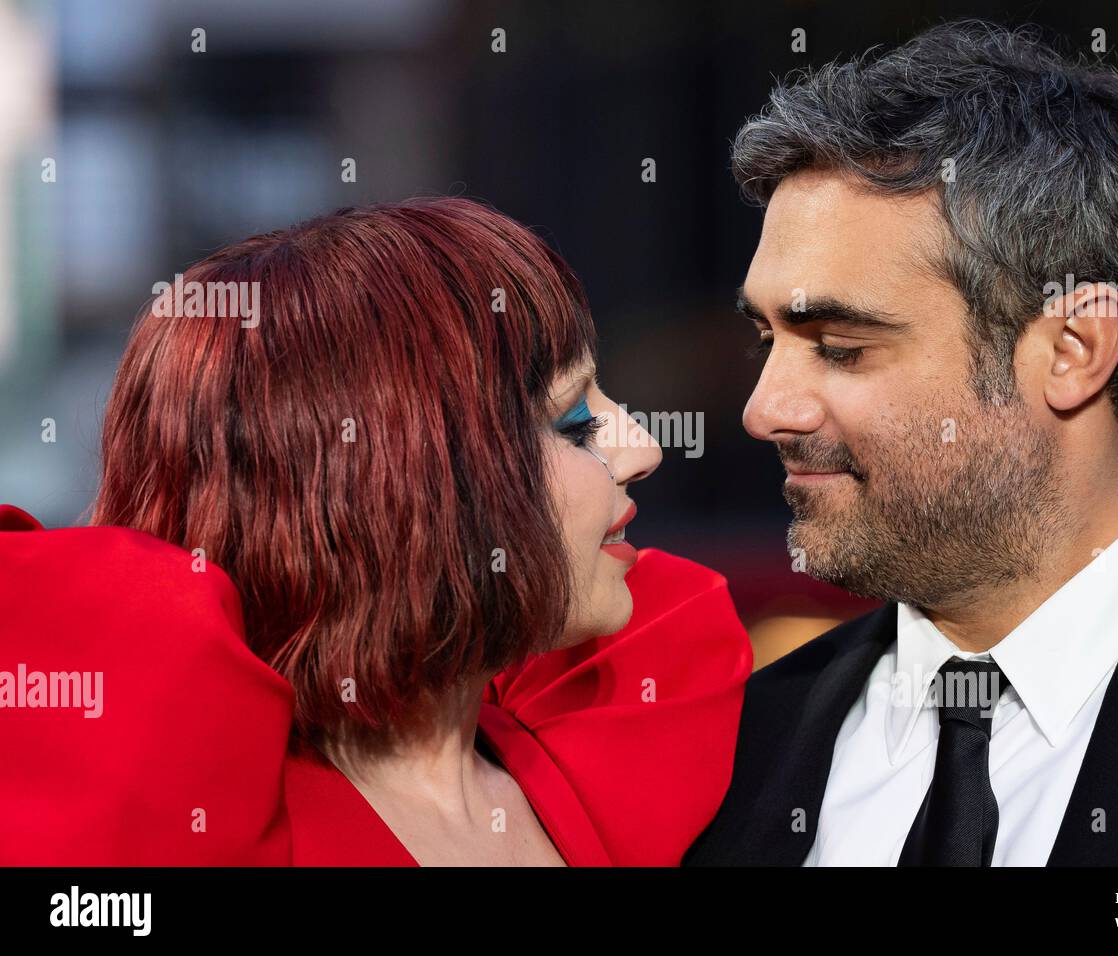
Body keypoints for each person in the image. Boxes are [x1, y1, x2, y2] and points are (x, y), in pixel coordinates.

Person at [685, 21, 1118, 866]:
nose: (765, 410)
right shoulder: (740, 747)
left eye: (840, 347)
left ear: (1074, 352)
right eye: (767, 341)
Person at [0, 197, 752, 866]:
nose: (646, 448)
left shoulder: (621, 735)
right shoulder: (184, 831)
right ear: (406, 484)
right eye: (575, 421)